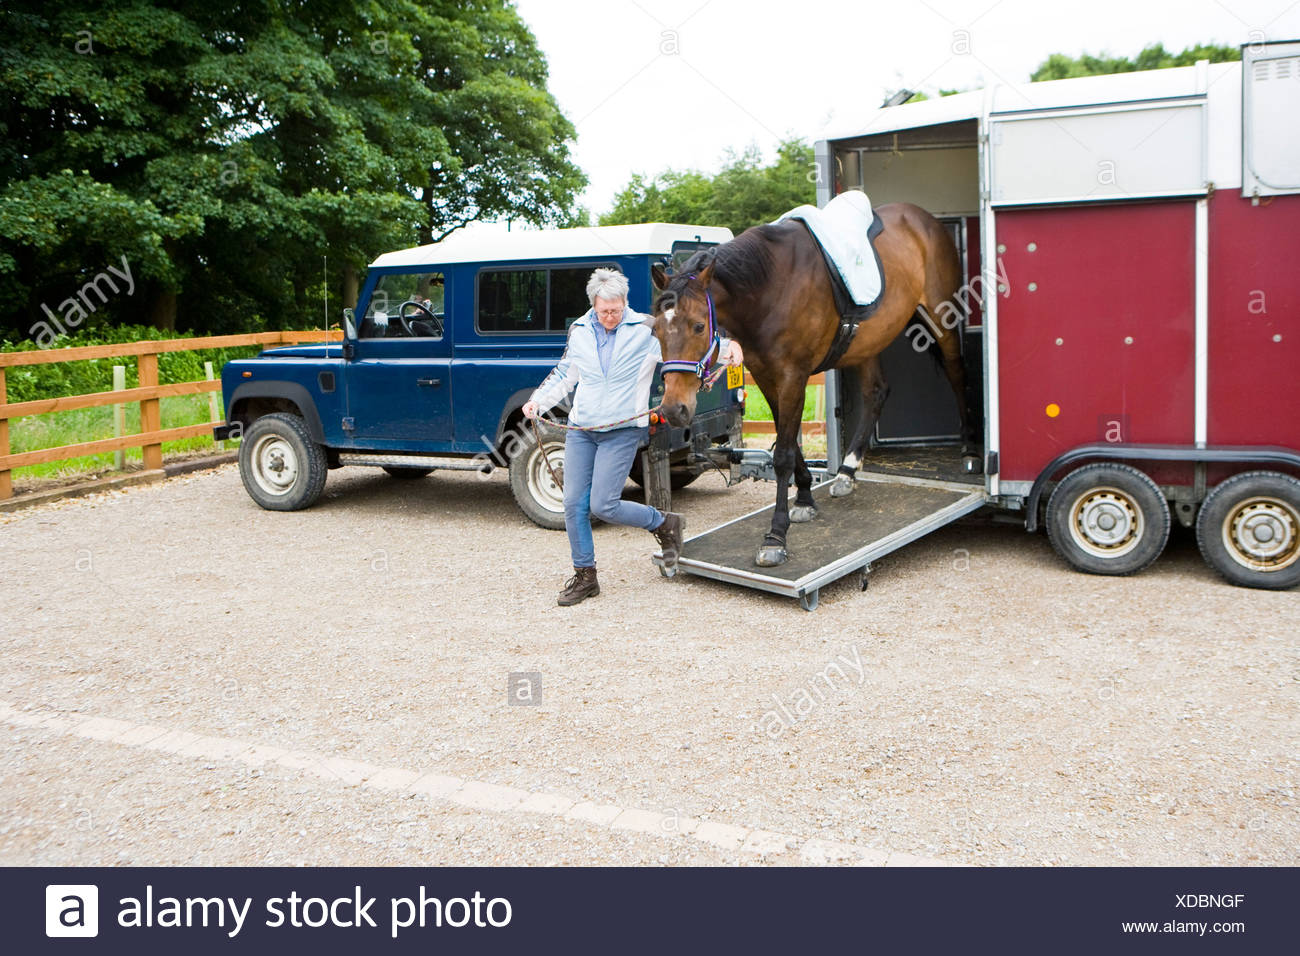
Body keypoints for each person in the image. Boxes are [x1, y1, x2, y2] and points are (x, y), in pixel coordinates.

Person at [523, 268, 743, 606]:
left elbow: (691, 342)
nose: (610, 317)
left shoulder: (649, 329)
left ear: (625, 302)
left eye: (616, 309)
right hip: (583, 429)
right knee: (572, 504)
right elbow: (566, 373)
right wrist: (538, 401)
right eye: (603, 311)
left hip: (622, 431)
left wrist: (731, 349)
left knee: (603, 505)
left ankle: (663, 522)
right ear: (593, 305)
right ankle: (586, 576)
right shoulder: (580, 330)